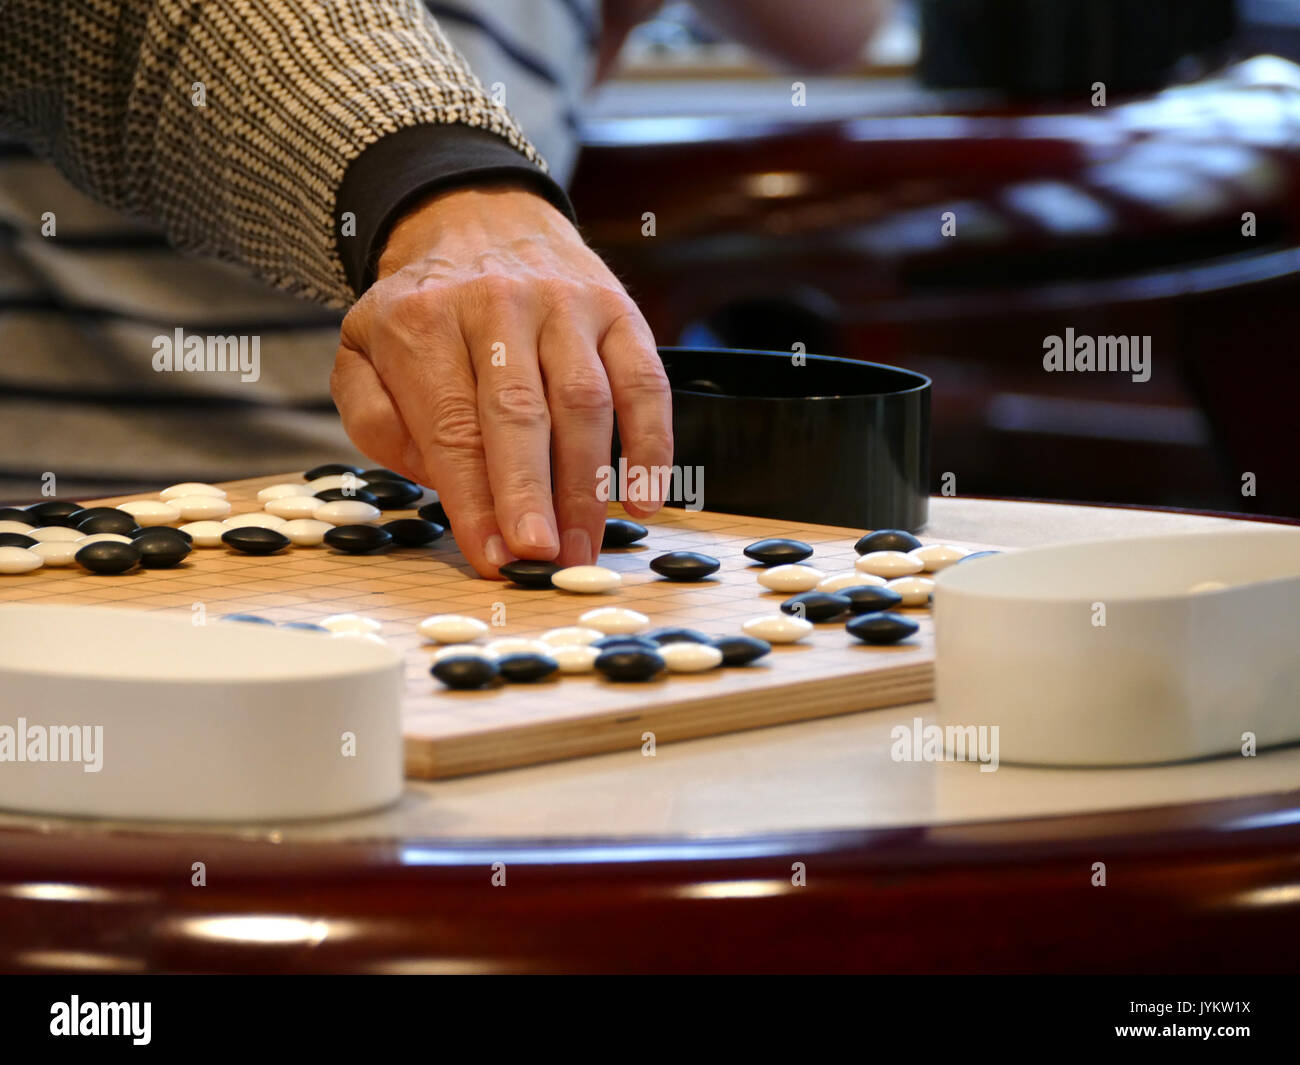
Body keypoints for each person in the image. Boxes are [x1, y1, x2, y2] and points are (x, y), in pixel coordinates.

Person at [0, 0, 885, 576]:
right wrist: (441, 179)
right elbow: (143, 28)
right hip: (83, 522)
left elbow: (842, 28)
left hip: (437, 532)